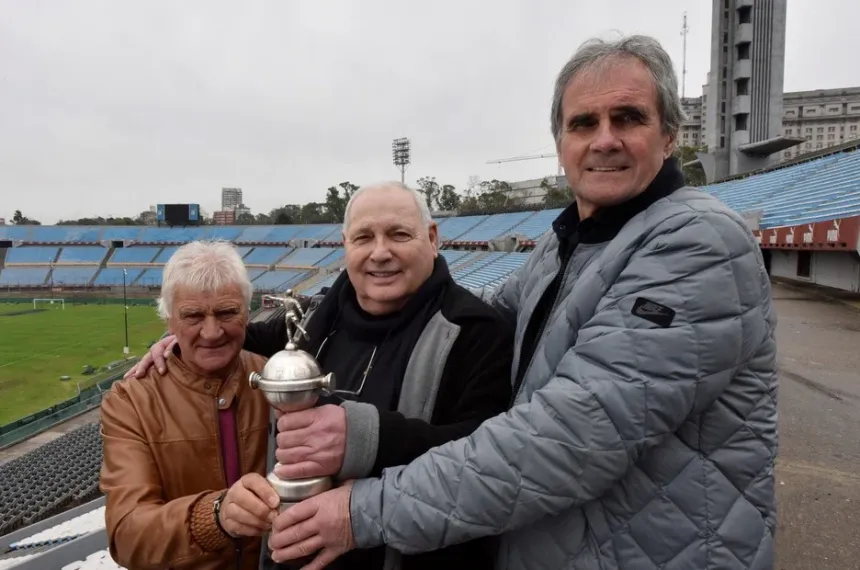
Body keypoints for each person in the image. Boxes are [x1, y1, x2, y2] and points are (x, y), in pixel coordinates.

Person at [266, 35, 779, 570]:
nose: (604, 140)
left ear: (670, 135)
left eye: (628, 118)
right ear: (560, 143)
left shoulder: (698, 243)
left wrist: (363, 512)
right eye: (583, 123)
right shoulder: (570, 242)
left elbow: (568, 440)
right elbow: (477, 313)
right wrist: (235, 328)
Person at [126, 181, 515, 570]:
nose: (380, 253)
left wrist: (368, 438)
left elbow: (486, 469)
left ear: (432, 239)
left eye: (399, 234)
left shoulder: (476, 331)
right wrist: (176, 338)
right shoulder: (320, 317)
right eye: (364, 237)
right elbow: (236, 333)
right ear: (346, 244)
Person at [100, 241, 280, 570]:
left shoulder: (277, 380)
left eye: (227, 312)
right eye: (193, 316)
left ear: (248, 313)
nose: (211, 332)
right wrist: (215, 516)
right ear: (169, 321)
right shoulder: (132, 401)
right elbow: (127, 535)